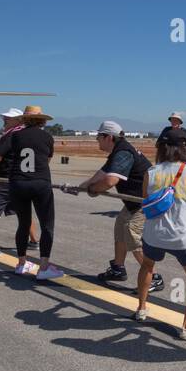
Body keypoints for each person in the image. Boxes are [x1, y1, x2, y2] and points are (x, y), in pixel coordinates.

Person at [133, 126, 186, 338]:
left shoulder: (151, 172)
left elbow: (147, 200)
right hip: (182, 237)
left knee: (147, 266)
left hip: (153, 234)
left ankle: (141, 308)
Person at [70, 120, 163, 293]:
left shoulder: (123, 152)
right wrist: (78, 188)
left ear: (109, 137)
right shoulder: (118, 151)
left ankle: (154, 276)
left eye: (99, 137)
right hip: (134, 201)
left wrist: (93, 190)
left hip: (144, 201)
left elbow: (110, 181)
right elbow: (101, 174)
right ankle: (117, 269)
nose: (97, 140)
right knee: (120, 227)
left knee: (131, 235)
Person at [0, 105, 62, 280]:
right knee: (47, 225)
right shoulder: (47, 137)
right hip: (40, 183)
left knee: (23, 223)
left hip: (18, 183)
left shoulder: (14, 135)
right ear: (42, 120)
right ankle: (44, 267)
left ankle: (21, 263)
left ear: (24, 119)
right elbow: (47, 159)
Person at [0, 109, 38, 259]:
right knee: (23, 212)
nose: (4, 119)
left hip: (4, 181)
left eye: (8, 118)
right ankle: (35, 241)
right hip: (22, 181)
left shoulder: (10, 136)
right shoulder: (28, 136)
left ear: (19, 120)